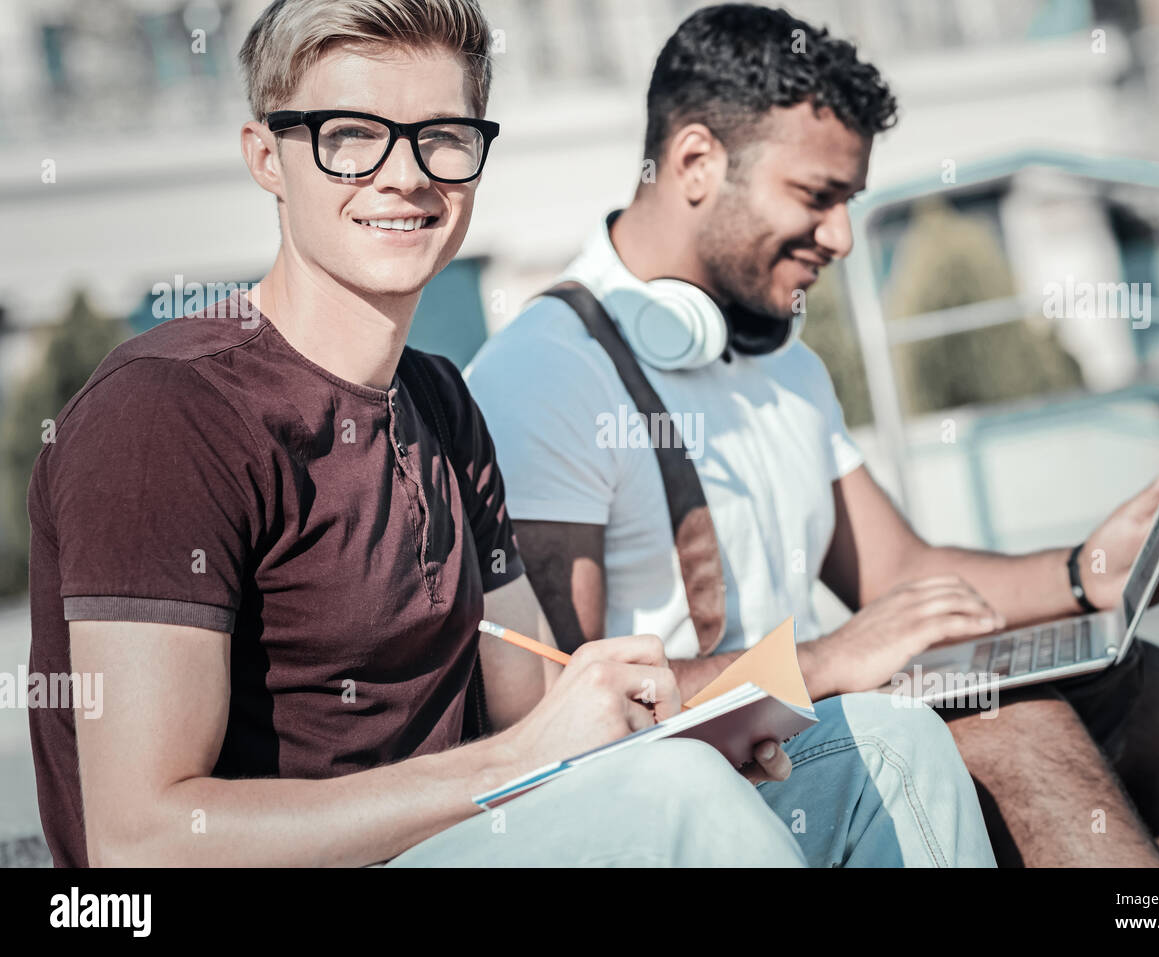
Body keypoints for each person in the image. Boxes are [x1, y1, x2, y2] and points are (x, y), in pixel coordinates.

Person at [26, 0, 994, 868]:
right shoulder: (164, 413)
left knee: (887, 745)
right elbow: (140, 841)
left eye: (442, 137)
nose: (404, 177)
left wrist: (701, 715)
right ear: (265, 156)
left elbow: (540, 717)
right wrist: (522, 764)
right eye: (351, 136)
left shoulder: (441, 405)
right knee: (680, 803)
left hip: (474, 835)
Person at [465, 2, 1159, 867]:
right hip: (697, 779)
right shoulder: (546, 375)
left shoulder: (777, 356)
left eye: (850, 200)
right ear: (696, 162)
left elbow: (897, 573)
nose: (843, 237)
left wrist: (1085, 574)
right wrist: (827, 659)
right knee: (1012, 722)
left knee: (1139, 679)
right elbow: (565, 709)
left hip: (805, 718)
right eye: (817, 197)